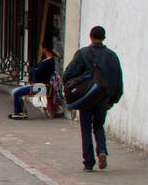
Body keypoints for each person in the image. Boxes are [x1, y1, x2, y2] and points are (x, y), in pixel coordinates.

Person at [63, 26, 124, 171]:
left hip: (86, 97)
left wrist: (73, 89)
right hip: (103, 98)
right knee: (98, 126)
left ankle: (88, 162)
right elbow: (118, 80)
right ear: (104, 37)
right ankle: (102, 150)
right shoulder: (112, 56)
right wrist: (113, 100)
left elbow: (68, 74)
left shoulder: (83, 54)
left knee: (85, 128)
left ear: (90, 37)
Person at [9, 47, 57, 119]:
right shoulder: (46, 61)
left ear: (45, 49)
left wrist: (34, 69)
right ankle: (20, 112)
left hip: (40, 86)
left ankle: (19, 112)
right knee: (16, 91)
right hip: (39, 85)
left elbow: (37, 72)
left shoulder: (48, 62)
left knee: (15, 92)